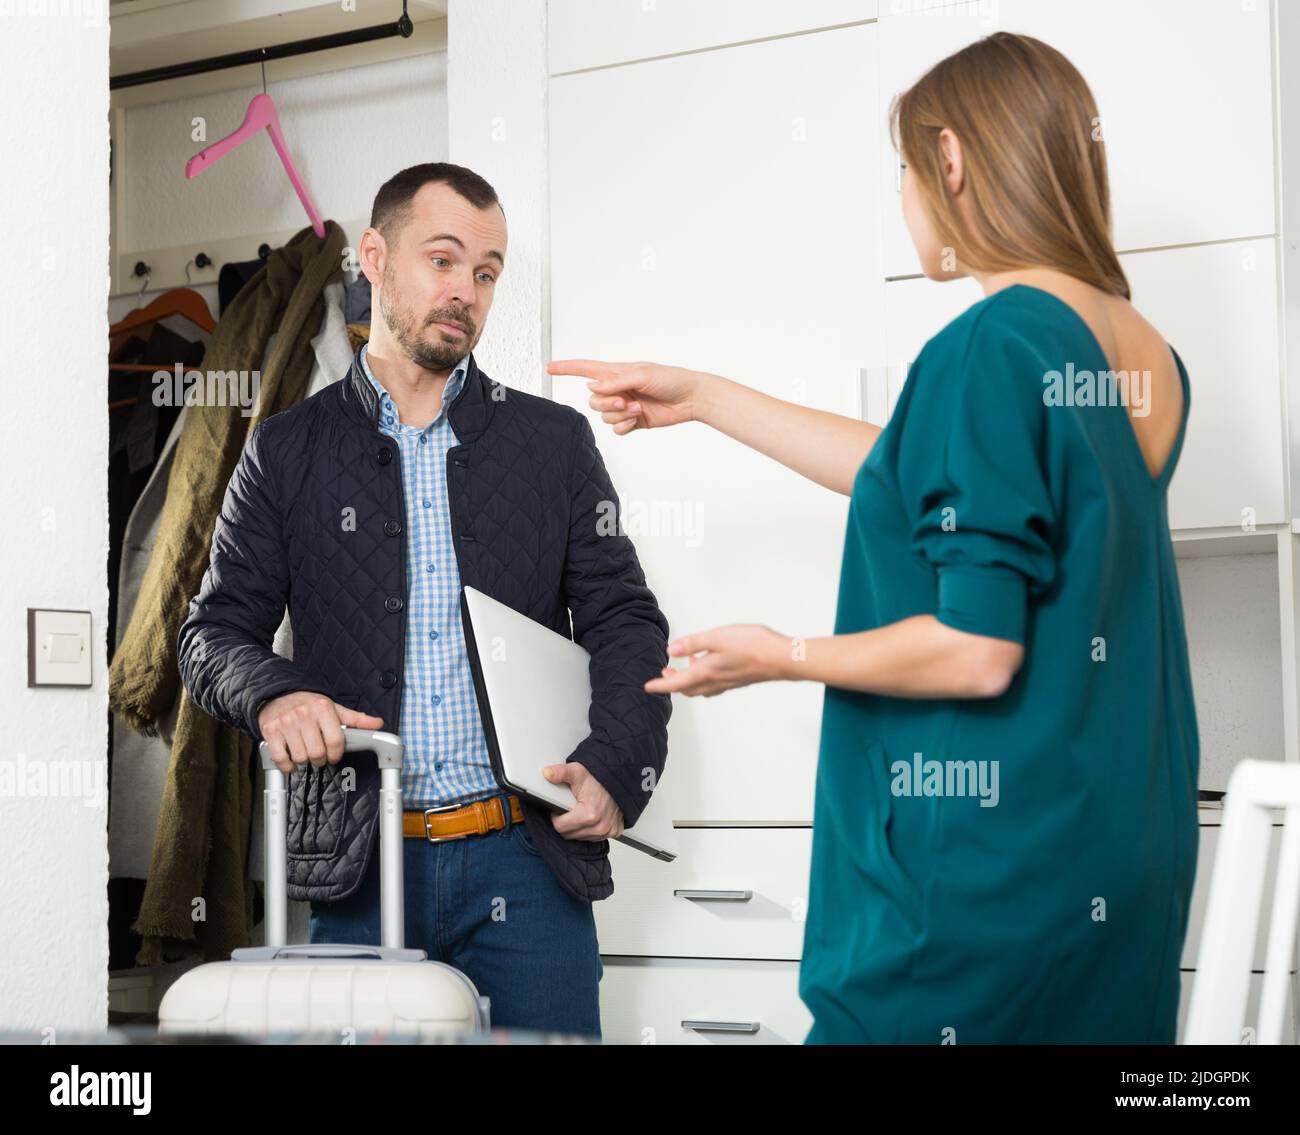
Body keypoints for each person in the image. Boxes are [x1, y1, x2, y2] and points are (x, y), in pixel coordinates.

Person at [549, 32, 1199, 1044]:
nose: (902, 197)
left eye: (902, 169)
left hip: (984, 883)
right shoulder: (1138, 350)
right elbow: (925, 481)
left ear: (949, 162)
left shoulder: (991, 341)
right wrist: (709, 396)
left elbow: (978, 650)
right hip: (1113, 861)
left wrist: (781, 655)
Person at [178, 163, 671, 1038]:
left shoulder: (553, 444)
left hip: (528, 865)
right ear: (374, 256)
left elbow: (625, 621)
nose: (466, 292)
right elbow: (212, 633)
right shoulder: (285, 451)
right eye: (442, 261)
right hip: (362, 869)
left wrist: (617, 761)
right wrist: (276, 692)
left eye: (486, 271)